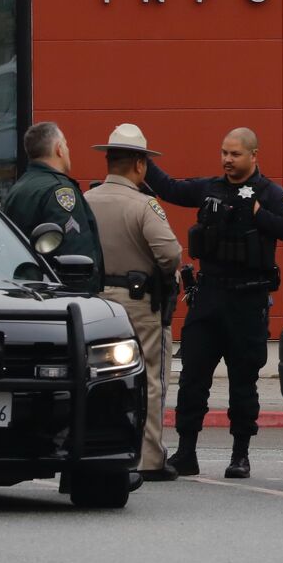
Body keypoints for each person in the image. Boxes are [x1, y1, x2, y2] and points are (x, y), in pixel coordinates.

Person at [143, 128, 283, 480]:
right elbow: (169, 189)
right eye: (224, 153)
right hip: (209, 298)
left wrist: (259, 214)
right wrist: (142, 157)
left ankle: (240, 456)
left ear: (253, 155)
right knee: (193, 378)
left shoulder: (269, 193)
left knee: (243, 382)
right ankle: (187, 453)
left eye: (235, 154)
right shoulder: (209, 188)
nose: (227, 160)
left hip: (247, 302)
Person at [83, 124, 184, 482]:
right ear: (140, 165)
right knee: (150, 378)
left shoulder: (87, 200)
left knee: (99, 377)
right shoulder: (144, 205)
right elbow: (170, 255)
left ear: (109, 161)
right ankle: (149, 457)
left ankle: (100, 448)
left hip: (95, 303)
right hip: (139, 304)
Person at [1, 122, 103, 281]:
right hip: (59, 292)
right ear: (59, 149)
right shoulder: (60, 191)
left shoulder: (18, 189)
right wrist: (84, 290)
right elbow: (74, 254)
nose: (68, 151)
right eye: (66, 145)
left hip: (23, 284)